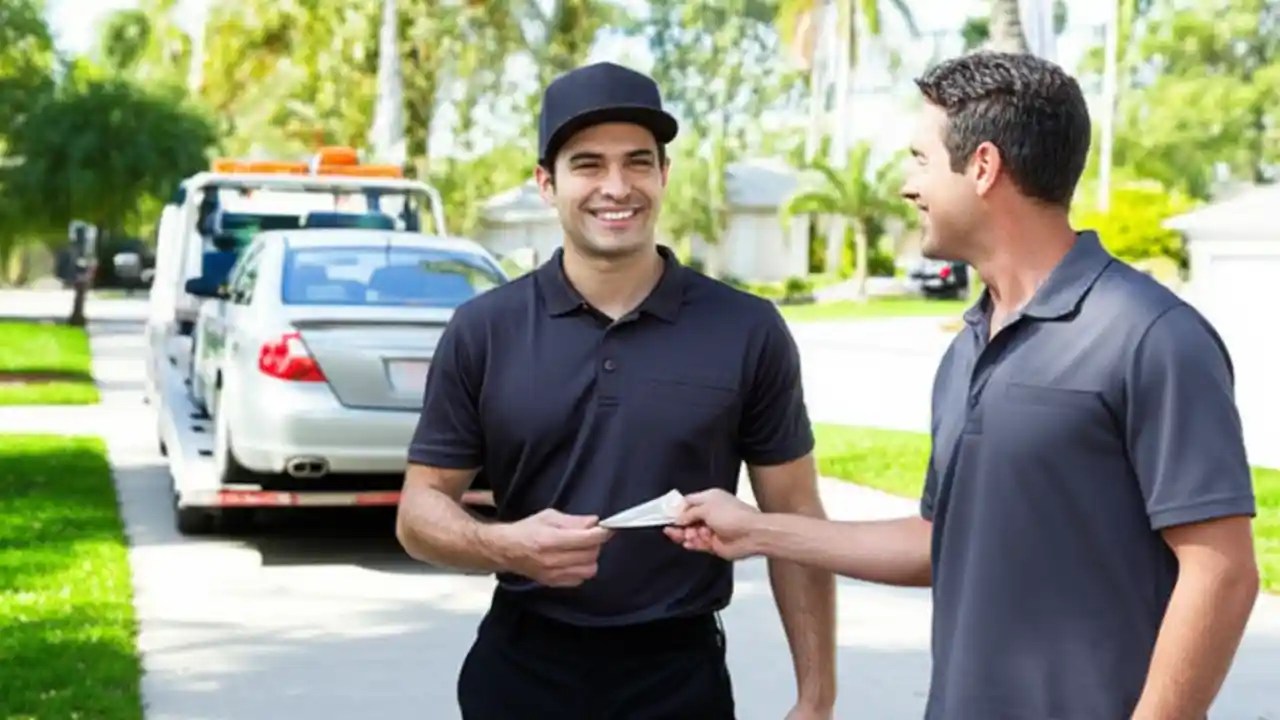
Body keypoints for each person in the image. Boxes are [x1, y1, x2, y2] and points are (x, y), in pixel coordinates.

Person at [666, 51, 1260, 719]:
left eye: (920, 159)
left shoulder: (1149, 334)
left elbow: (1223, 571)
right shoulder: (967, 349)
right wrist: (757, 530)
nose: (906, 185)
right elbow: (941, 540)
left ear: (982, 166)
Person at [396, 61, 837, 719]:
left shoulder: (747, 329)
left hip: (678, 675)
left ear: (663, 176)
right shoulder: (484, 330)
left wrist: (816, 697)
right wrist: (505, 544)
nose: (616, 187)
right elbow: (419, 512)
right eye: (587, 165)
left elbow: (797, 518)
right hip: (522, 668)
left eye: (637, 162)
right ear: (547, 183)